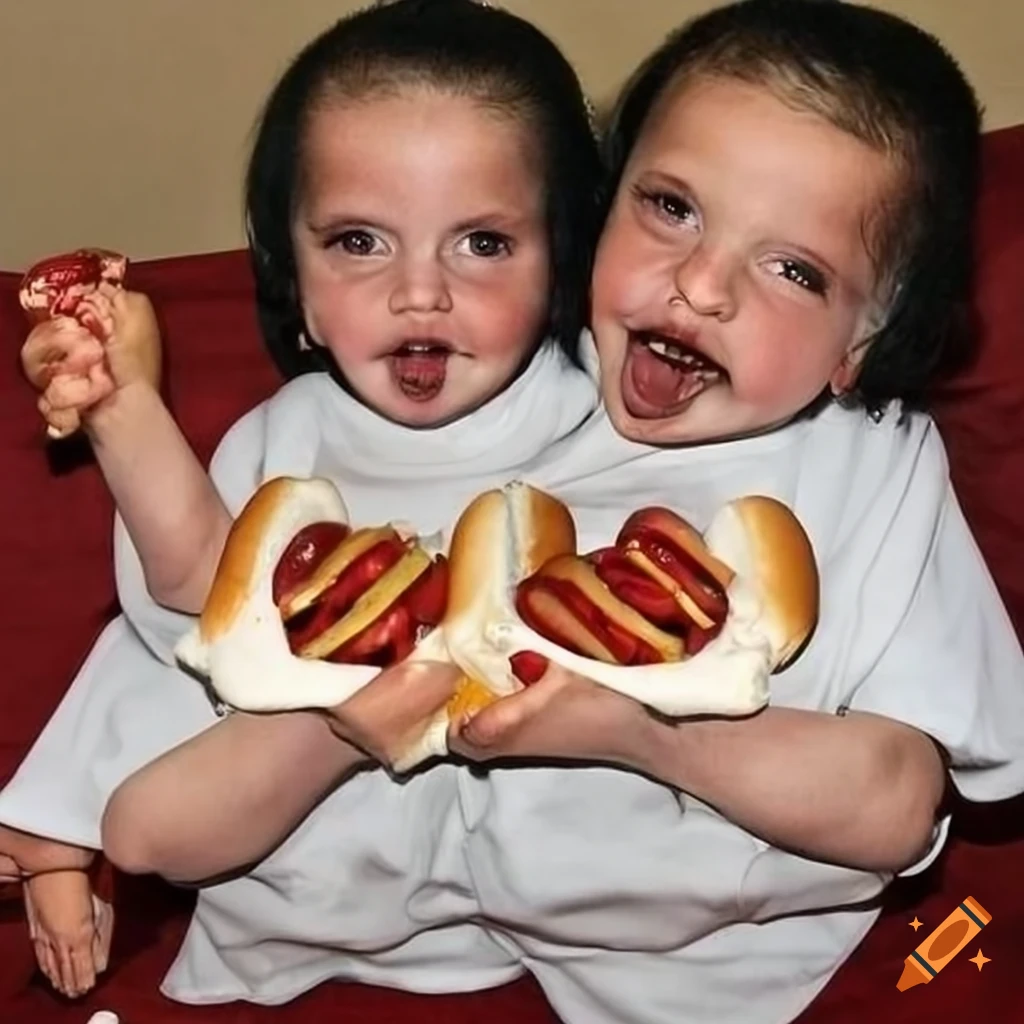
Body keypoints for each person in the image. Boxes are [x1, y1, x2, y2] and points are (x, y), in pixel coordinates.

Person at [103, 2, 1024, 1022]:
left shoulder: (874, 468)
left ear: (865, 338)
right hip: (408, 935)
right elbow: (189, 636)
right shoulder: (482, 384)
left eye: (795, 269)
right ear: (594, 210)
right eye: (671, 207)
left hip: (722, 974)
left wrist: (635, 732)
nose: (699, 285)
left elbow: (897, 803)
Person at [0, 0, 602, 998]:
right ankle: (55, 825)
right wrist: (123, 408)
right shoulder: (291, 432)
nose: (420, 292)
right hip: (290, 846)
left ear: (561, 258)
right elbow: (190, 591)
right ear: (292, 274)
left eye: (482, 244)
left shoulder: (598, 422)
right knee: (171, 648)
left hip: (541, 873)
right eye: (361, 242)